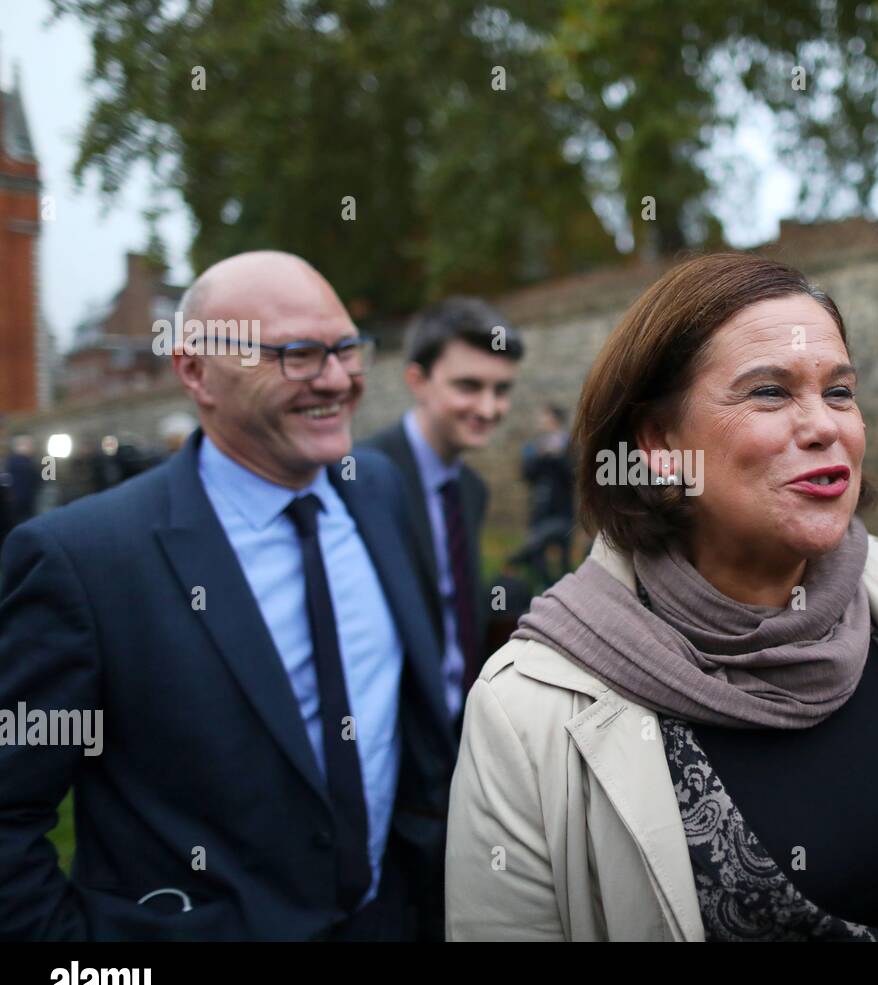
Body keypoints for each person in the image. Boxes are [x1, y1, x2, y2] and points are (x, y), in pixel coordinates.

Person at [446, 252, 878, 942]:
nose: (825, 425)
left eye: (840, 391)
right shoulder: (527, 707)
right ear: (658, 442)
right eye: (770, 391)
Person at [0, 251, 455, 941]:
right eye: (298, 354)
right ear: (194, 370)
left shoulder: (381, 490)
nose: (335, 379)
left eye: (346, 349)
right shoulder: (84, 561)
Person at [365, 298, 523, 728]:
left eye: (502, 390)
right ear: (417, 380)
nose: (489, 409)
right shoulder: (362, 480)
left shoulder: (471, 490)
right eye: (469, 386)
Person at [509, 403, 576, 588]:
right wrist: (541, 456)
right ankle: (544, 587)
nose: (540, 422)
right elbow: (527, 474)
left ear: (554, 420)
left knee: (563, 555)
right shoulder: (536, 447)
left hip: (562, 508)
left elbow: (574, 475)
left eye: (544, 417)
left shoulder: (569, 445)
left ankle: (566, 589)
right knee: (537, 552)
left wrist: (557, 457)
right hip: (540, 507)